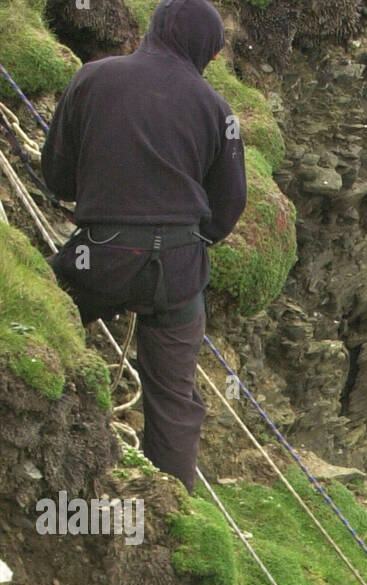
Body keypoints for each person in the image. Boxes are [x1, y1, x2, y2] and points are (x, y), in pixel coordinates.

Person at [40, 0, 247, 494]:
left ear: (155, 29)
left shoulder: (92, 78)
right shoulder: (218, 111)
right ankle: (170, 508)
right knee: (175, 400)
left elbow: (57, 176)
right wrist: (196, 240)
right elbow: (229, 204)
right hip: (178, 272)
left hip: (99, 255)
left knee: (44, 315)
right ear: (204, 48)